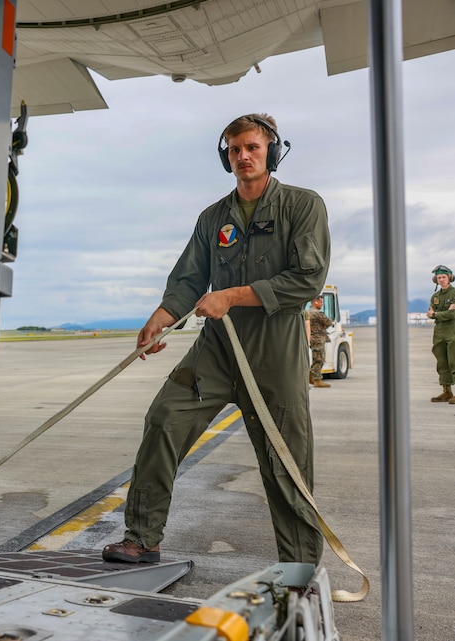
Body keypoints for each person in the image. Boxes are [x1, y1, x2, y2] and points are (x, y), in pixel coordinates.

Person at [102, 114, 330, 567]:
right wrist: (159, 319)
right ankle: (142, 539)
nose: (243, 156)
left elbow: (307, 280)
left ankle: (300, 567)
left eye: (252, 147)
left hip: (275, 349)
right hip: (218, 349)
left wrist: (231, 295)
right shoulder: (213, 218)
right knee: (165, 417)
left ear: (273, 151)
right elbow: (189, 279)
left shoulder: (303, 206)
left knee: (285, 460)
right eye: (233, 149)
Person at [427, 265, 455, 403]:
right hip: (439, 334)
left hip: (453, 333)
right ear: (436, 280)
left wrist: (436, 314)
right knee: (442, 363)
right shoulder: (435, 296)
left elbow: (452, 314)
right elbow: (429, 313)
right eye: (439, 278)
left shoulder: (454, 293)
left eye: (444, 277)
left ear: (449, 278)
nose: (442, 280)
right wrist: (437, 314)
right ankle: (447, 392)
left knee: (453, 362)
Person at [306, 296, 333, 388]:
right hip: (318, 339)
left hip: (312, 338)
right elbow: (329, 322)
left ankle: (311, 376)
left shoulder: (308, 312)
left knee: (316, 358)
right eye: (321, 302)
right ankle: (317, 379)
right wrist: (324, 325)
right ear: (315, 302)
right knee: (319, 359)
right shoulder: (317, 313)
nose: (322, 304)